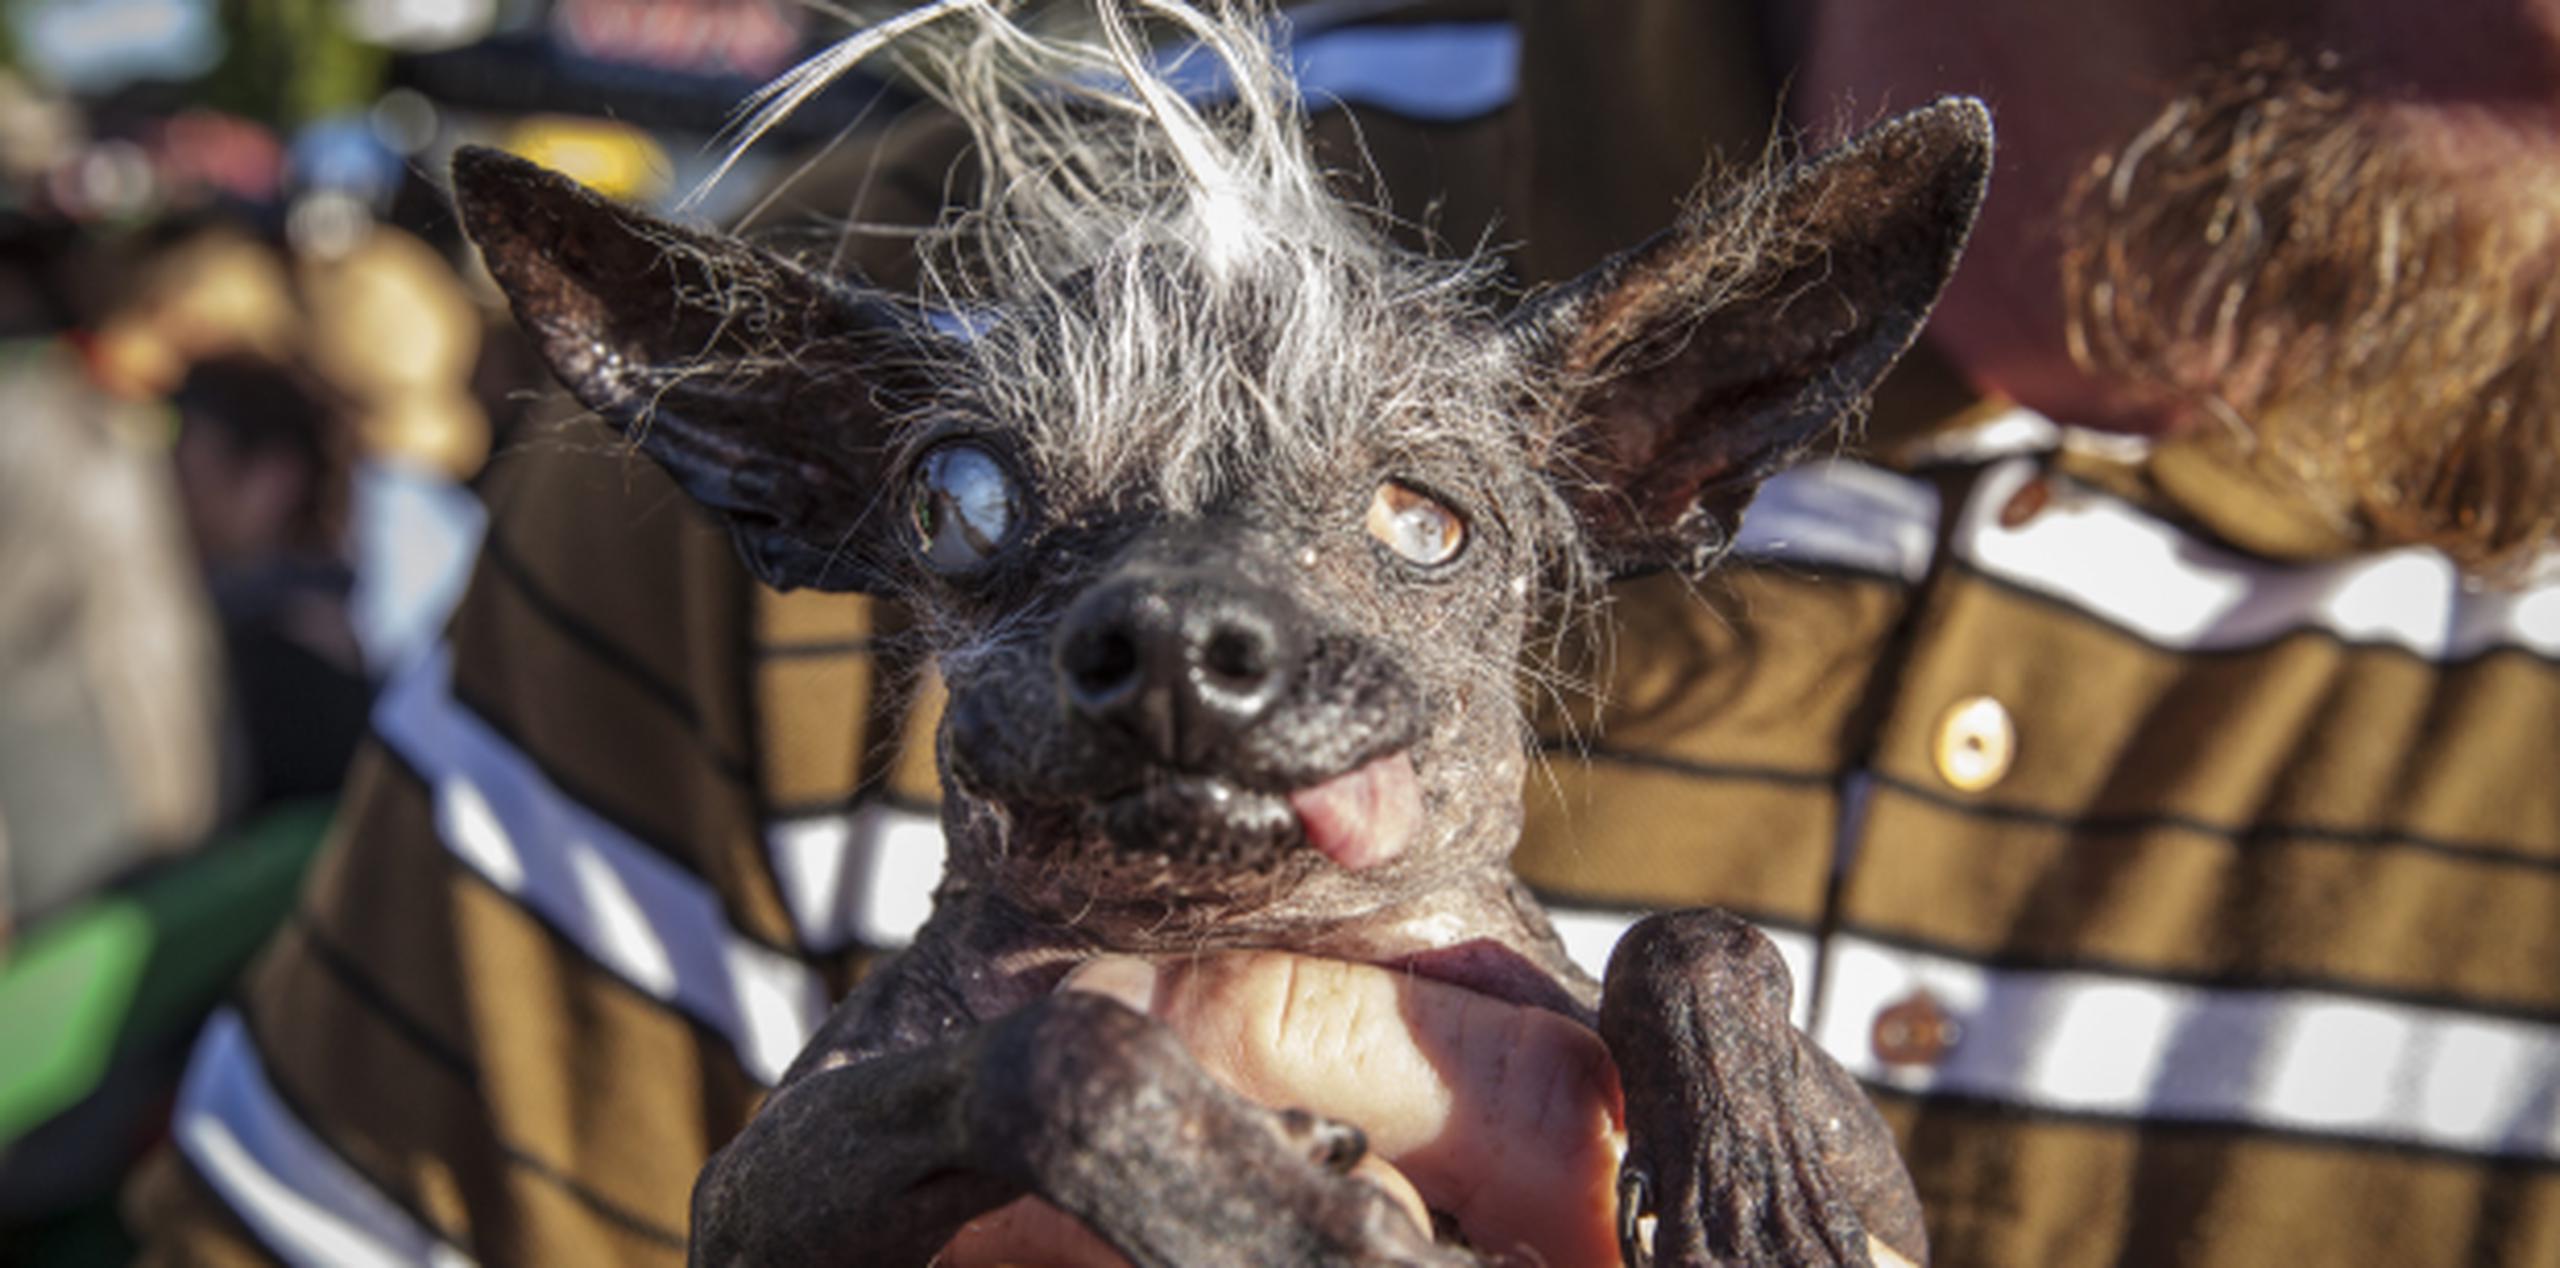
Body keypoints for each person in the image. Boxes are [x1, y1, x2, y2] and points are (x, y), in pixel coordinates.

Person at [127, 1, 2560, 1265]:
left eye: (1405, 516)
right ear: (792, 479)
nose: (1179, 627)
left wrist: (1702, 1009)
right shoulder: (896, 241)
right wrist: (1041, 1099)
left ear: (1676, 449)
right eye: (979, 506)